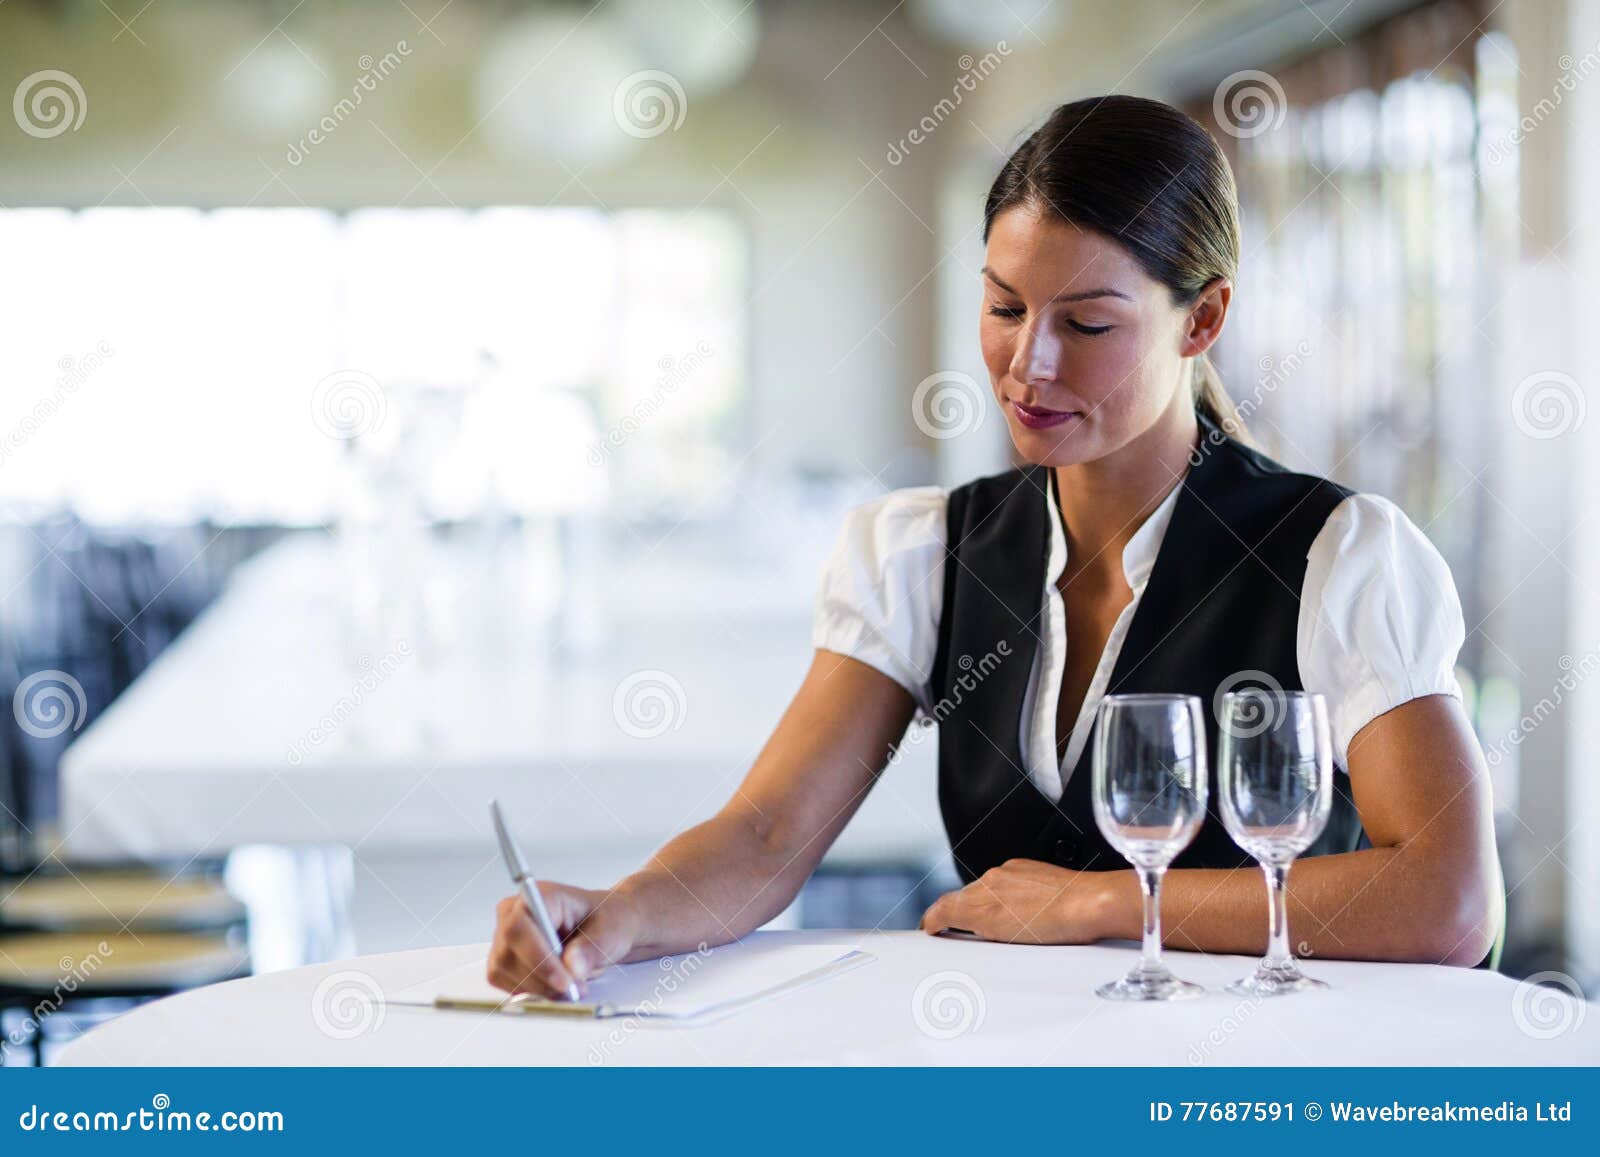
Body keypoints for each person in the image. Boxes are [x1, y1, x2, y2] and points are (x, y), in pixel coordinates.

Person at [488, 94, 1502, 999]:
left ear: (1203, 317)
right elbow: (765, 833)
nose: (1029, 363)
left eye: (1089, 323)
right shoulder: (925, 549)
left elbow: (1449, 898)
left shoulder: (1337, 554)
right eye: (1005, 307)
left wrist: (1096, 904)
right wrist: (618, 915)